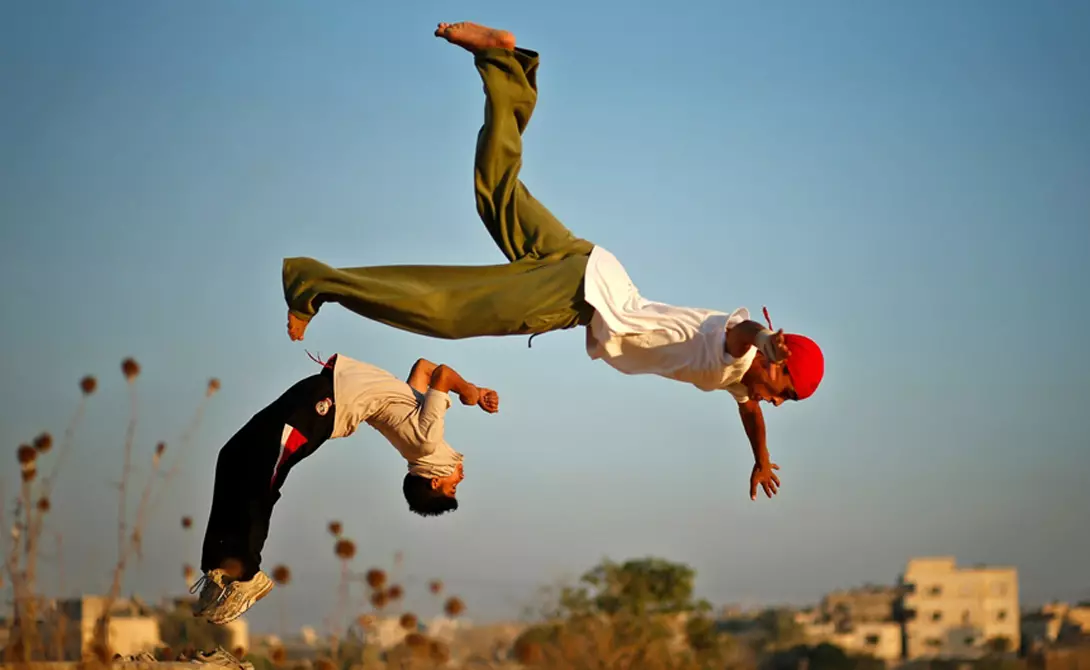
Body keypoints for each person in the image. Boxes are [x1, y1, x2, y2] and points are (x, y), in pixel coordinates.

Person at [281, 21, 825, 502]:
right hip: (577, 295)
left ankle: (503, 63)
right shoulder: (734, 352)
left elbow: (749, 409)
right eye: (784, 393)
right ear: (776, 366)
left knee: (495, 193)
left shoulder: (739, 382)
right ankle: (313, 282)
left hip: (588, 265)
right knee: (448, 311)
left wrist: (759, 457)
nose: (773, 404)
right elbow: (742, 334)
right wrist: (763, 339)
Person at [189, 352, 498, 625]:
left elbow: (442, 374)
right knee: (233, 455)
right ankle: (219, 567)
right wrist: (473, 392)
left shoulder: (426, 441)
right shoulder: (420, 438)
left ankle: (245, 575)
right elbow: (425, 369)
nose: (461, 480)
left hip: (325, 406)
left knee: (263, 473)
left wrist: (469, 391)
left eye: (452, 489)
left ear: (434, 481)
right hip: (321, 390)